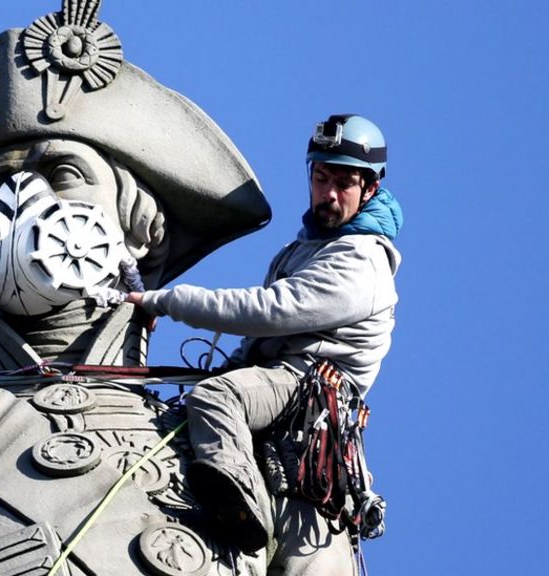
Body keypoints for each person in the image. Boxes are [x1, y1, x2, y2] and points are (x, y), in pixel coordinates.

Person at [126, 114, 403, 552]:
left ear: (369, 188)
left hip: (309, 387)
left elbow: (271, 312)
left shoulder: (361, 261)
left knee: (217, 397)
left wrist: (167, 301)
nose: (328, 193)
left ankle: (243, 510)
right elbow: (266, 340)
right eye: (321, 177)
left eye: (344, 183)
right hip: (278, 376)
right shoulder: (305, 248)